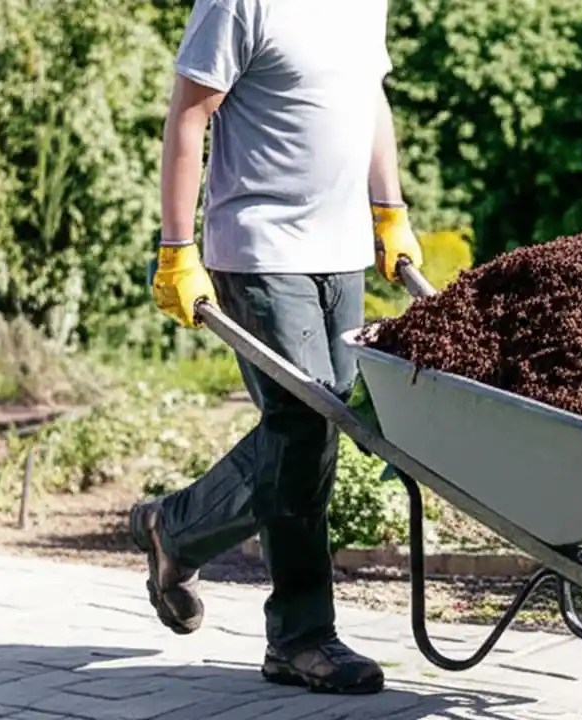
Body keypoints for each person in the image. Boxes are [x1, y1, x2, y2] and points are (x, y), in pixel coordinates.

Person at [127, 0, 423, 696]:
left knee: (313, 427)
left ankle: (174, 528)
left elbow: (369, 97)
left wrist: (391, 208)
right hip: (260, 249)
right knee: (305, 423)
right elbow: (189, 115)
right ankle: (300, 636)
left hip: (341, 250)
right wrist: (177, 249)